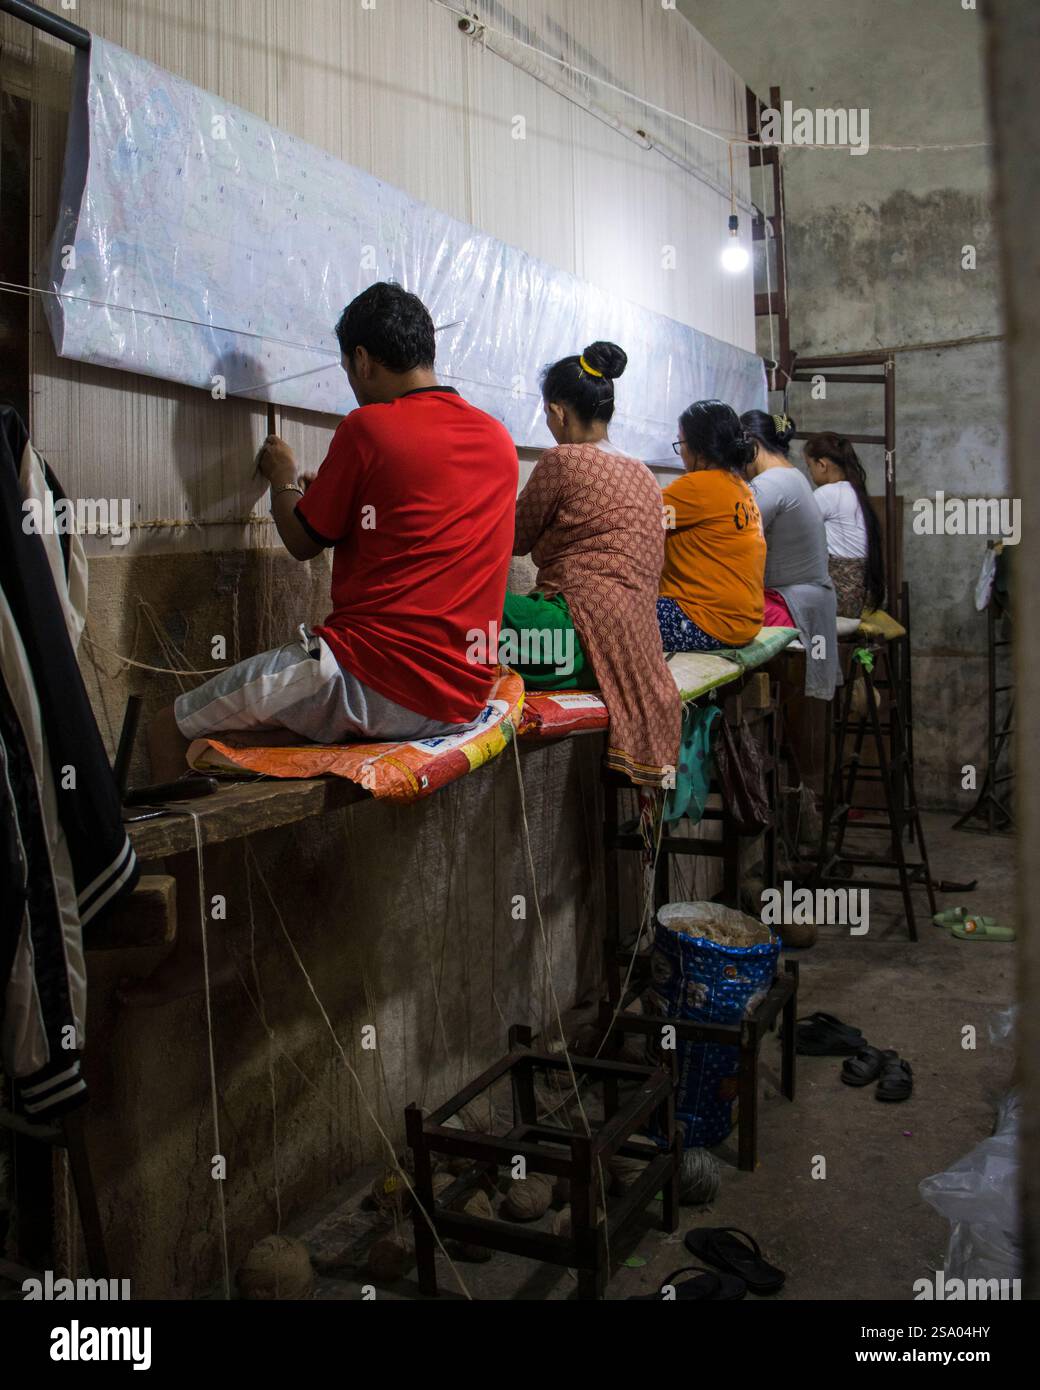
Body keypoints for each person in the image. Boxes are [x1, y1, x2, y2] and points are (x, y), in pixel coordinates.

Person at [121, 282, 518, 1005]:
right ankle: (239, 928)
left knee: (165, 731)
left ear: (363, 360)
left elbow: (303, 541)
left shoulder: (370, 430)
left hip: (374, 682)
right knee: (244, 743)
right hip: (461, 696)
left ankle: (199, 948)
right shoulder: (495, 439)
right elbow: (413, 523)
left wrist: (279, 483)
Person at [506, 341, 680, 786]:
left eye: (548, 416)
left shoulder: (563, 460)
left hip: (572, 647)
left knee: (462, 615)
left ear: (559, 411)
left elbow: (513, 539)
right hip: (640, 649)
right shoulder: (643, 473)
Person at [741, 410, 838, 700]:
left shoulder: (771, 484)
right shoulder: (792, 476)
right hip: (809, 600)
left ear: (752, 445)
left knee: (717, 612)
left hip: (791, 603)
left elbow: (733, 531)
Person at [657, 400, 766, 652]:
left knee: (608, 613)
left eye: (681, 444)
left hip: (705, 622)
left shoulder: (698, 486)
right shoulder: (739, 488)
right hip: (745, 623)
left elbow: (632, 521)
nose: (681, 453)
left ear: (699, 449)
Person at [803, 431, 886, 618]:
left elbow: (797, 531)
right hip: (862, 596)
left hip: (842, 599)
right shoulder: (855, 492)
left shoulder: (828, 494)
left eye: (809, 467)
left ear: (822, 465)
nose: (810, 473)